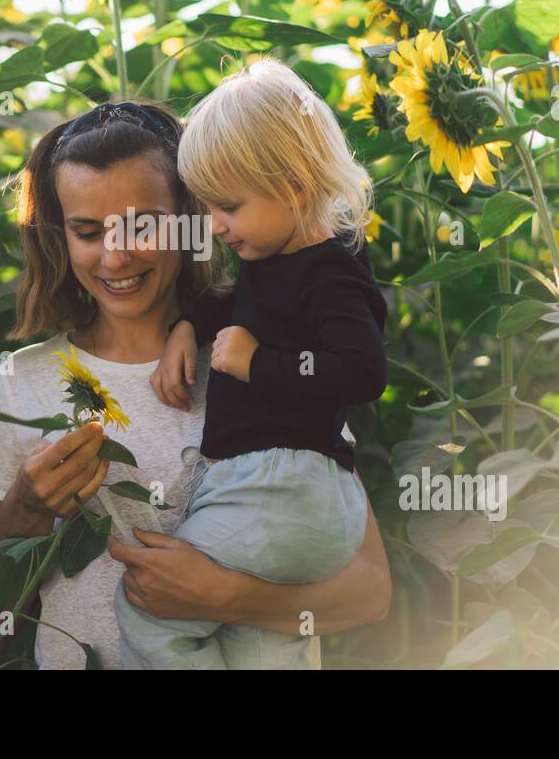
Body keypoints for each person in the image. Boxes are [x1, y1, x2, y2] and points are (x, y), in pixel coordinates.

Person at [0, 97, 392, 669]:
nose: (115, 257)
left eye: (143, 226)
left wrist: (228, 597)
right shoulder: (23, 382)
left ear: (194, 217)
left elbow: (368, 591)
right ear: (59, 237)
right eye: (88, 231)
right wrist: (24, 512)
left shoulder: (263, 354)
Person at [115, 57, 388, 668]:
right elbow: (237, 303)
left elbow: (361, 372)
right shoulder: (277, 260)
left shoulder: (333, 271)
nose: (215, 227)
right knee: (257, 646)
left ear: (293, 185)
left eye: (228, 207)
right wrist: (189, 326)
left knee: (151, 604)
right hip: (287, 494)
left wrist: (260, 363)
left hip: (282, 488)